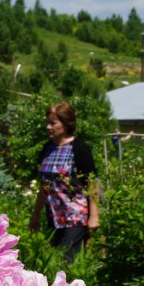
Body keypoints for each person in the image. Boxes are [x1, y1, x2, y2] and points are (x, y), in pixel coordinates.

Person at [29, 102, 99, 263]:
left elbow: (92, 182)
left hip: (75, 215)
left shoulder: (79, 148)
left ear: (66, 124)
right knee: (56, 261)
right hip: (54, 216)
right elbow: (45, 184)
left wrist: (94, 216)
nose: (48, 127)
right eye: (47, 122)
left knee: (66, 260)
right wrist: (36, 214)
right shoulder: (47, 148)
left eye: (53, 123)